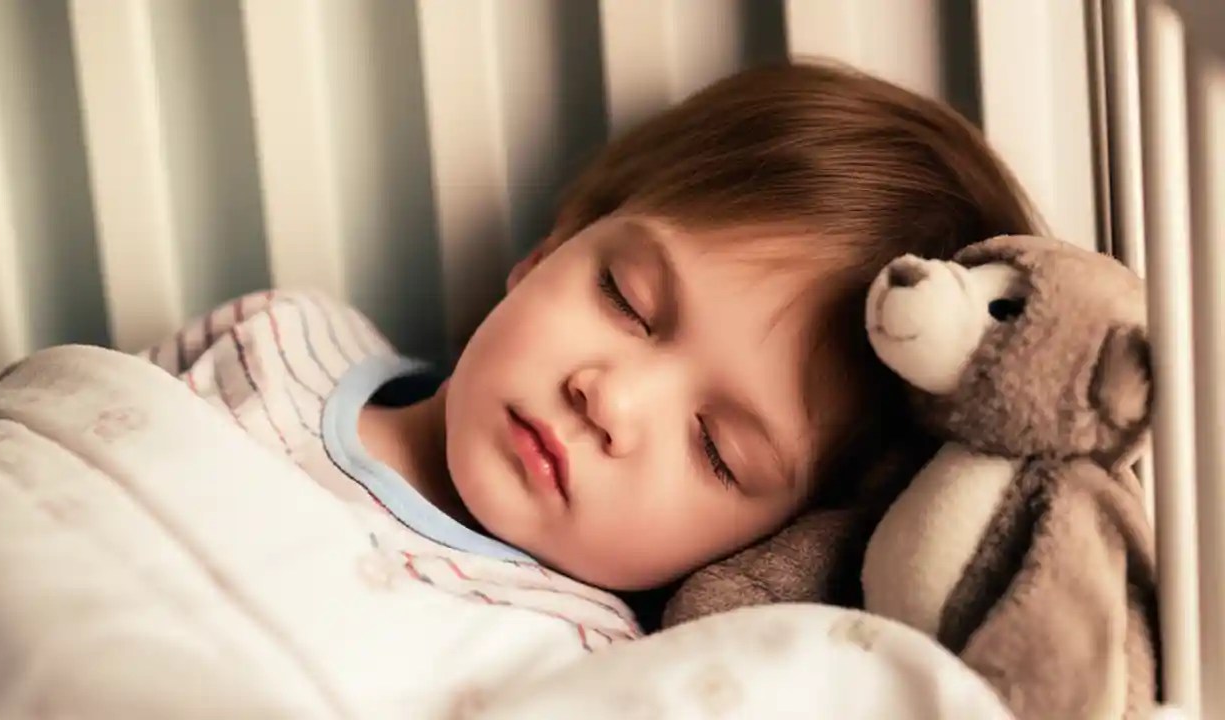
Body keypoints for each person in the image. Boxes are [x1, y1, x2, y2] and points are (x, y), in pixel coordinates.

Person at [143, 60, 1036, 650]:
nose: (610, 400)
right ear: (551, 249)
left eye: (716, 449)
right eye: (626, 301)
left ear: (771, 543)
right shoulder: (279, 339)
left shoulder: (582, 658)